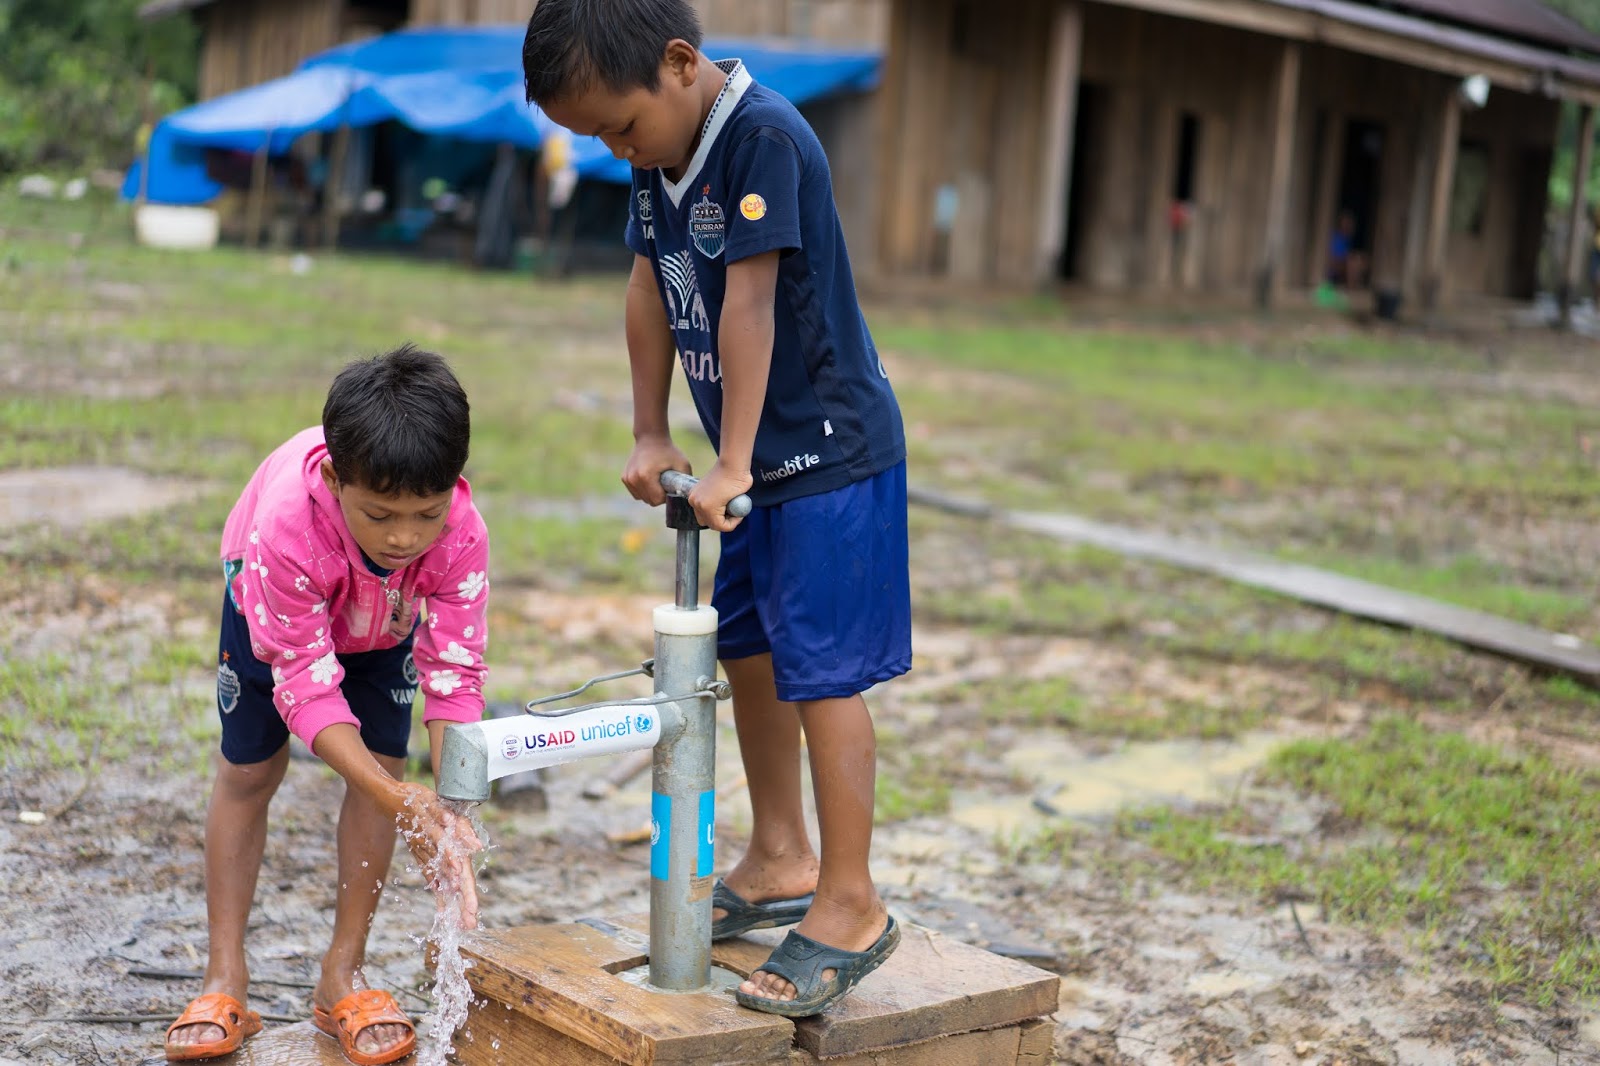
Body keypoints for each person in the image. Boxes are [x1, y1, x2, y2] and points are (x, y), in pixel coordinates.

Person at [523, 0, 911, 1019]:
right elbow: (650, 286)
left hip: (823, 453)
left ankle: (850, 898)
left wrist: (732, 459)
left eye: (619, 126)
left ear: (680, 64)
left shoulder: (764, 138)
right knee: (744, 645)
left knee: (822, 672)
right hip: (754, 470)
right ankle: (781, 850)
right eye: (597, 138)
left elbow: (747, 302)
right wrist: (651, 431)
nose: (616, 149)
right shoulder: (657, 159)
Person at [165, 345, 488, 1064]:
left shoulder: (459, 534)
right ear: (337, 479)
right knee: (250, 771)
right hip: (273, 617)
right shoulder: (286, 529)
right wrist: (401, 797)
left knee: (380, 770)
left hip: (383, 626)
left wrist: (450, 812)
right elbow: (306, 688)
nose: (405, 536)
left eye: (425, 514)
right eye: (380, 514)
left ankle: (343, 972)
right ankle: (225, 974)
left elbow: (456, 676)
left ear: (454, 488)